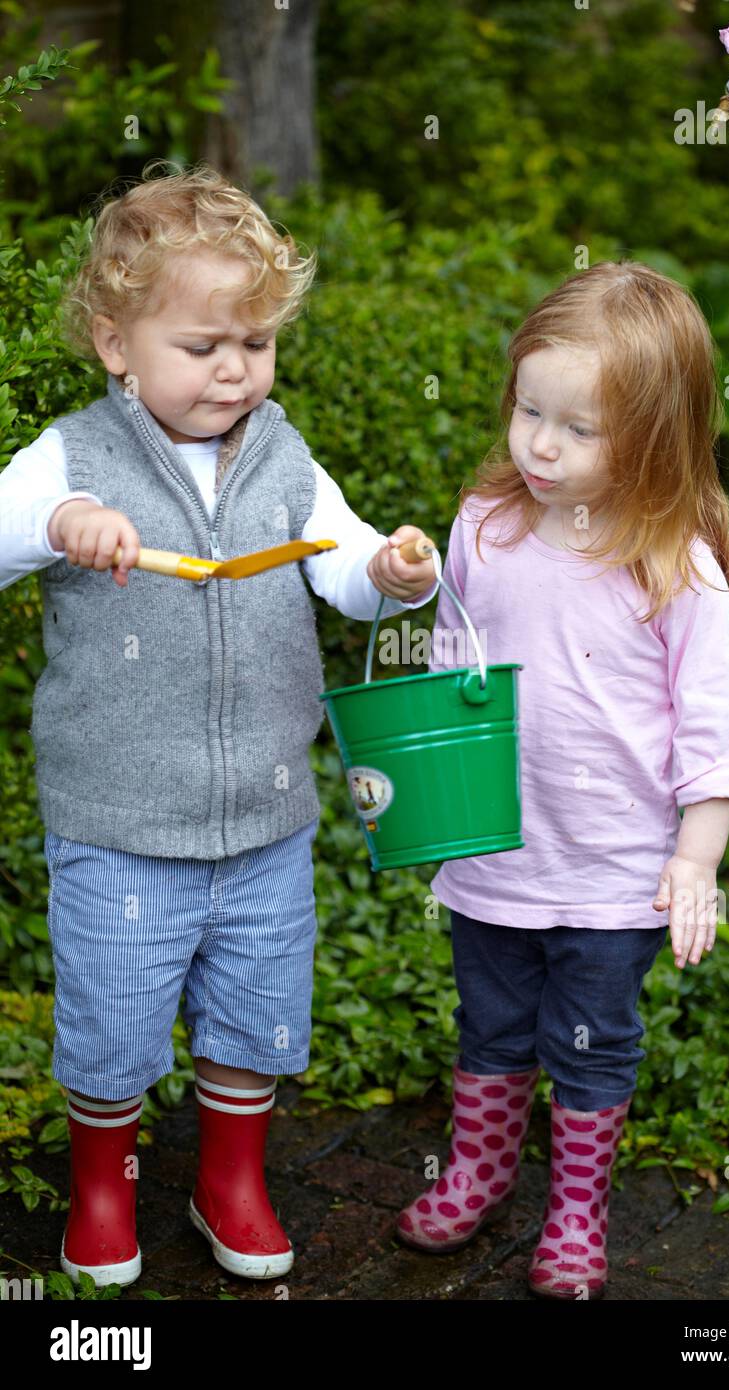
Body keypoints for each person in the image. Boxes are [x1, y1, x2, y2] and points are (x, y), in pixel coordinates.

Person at [0, 160, 437, 1288]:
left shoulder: (281, 453)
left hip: (264, 819)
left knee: (254, 1008)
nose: (234, 369)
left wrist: (390, 570)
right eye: (202, 347)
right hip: (118, 823)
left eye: (256, 343)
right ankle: (105, 1188)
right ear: (115, 345)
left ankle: (228, 1177)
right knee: (113, 1016)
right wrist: (60, 519)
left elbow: (338, 565)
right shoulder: (76, 457)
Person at [395, 261, 729, 1300]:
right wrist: (426, 800)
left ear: (655, 436)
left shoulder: (672, 567)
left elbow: (710, 728)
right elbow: (446, 669)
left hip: (610, 873)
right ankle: (476, 1170)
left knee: (590, 1043)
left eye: (578, 429)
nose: (539, 445)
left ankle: (572, 1210)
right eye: (527, 410)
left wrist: (695, 859)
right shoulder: (484, 527)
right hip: (495, 854)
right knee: (491, 1024)